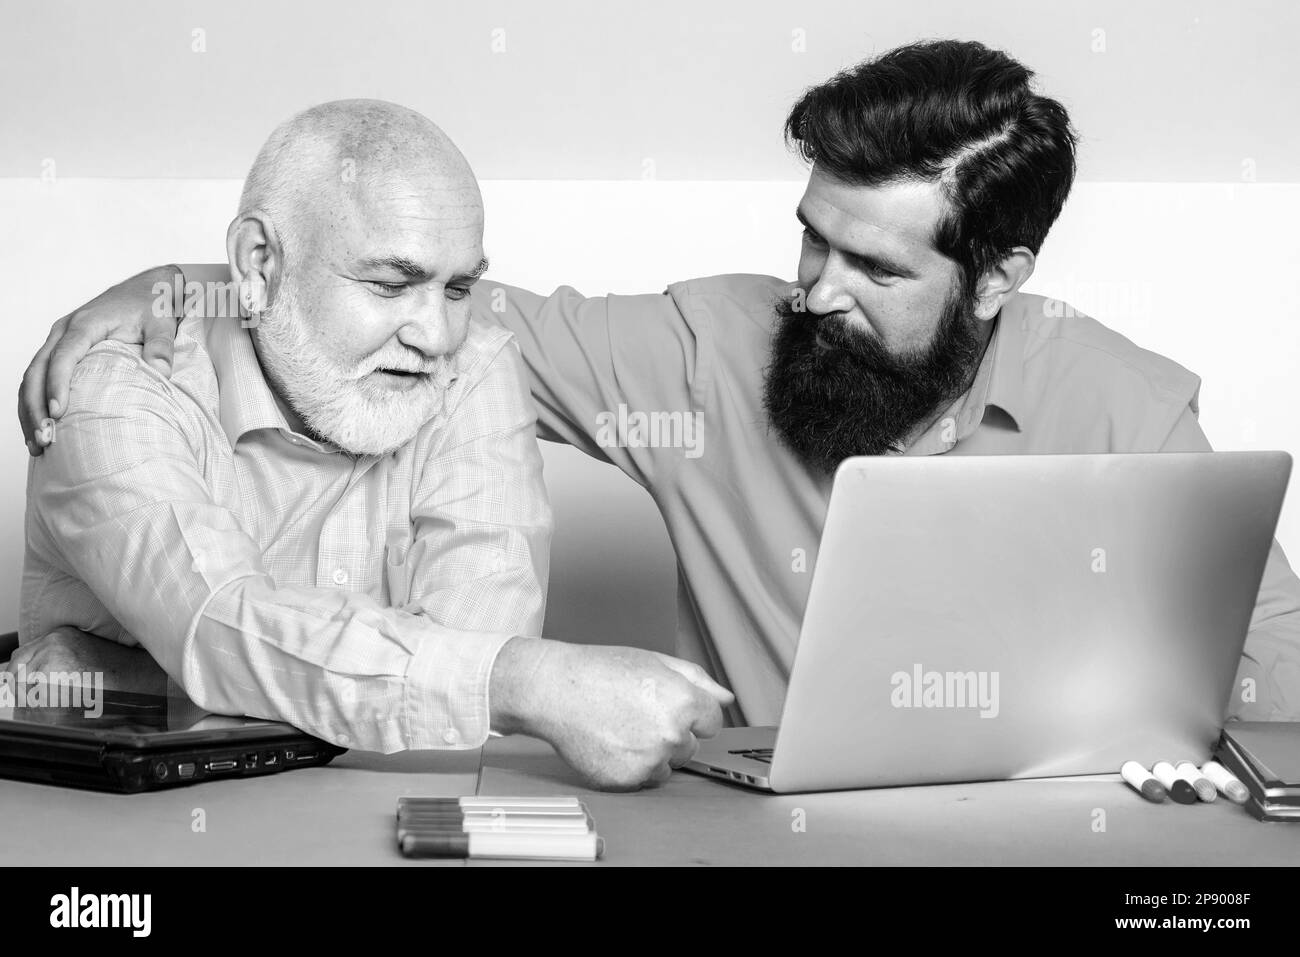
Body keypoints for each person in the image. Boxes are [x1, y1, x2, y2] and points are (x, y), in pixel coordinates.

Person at [21, 40, 1300, 725]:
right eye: (810, 235)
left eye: (871, 265)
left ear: (993, 277)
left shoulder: (1130, 410)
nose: (814, 288)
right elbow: (414, 313)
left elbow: (1279, 686)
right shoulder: (702, 350)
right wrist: (200, 283)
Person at [11, 99, 732, 791]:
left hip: (385, 821)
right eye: (391, 284)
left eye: (457, 289)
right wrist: (522, 682)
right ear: (259, 263)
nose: (438, 335)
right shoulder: (108, 387)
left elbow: (466, 674)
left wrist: (147, 674)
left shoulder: (475, 366)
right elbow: (220, 624)